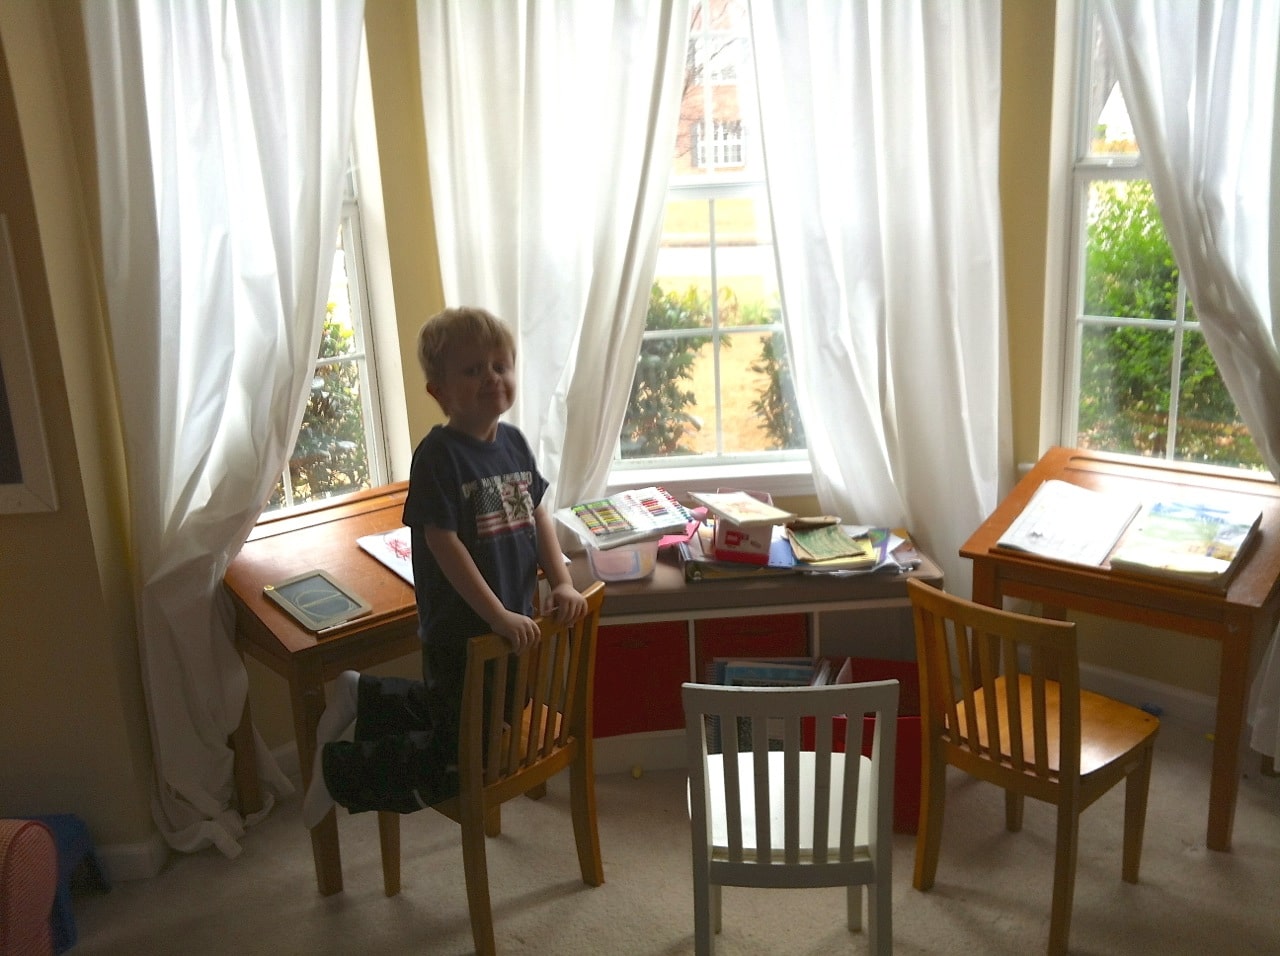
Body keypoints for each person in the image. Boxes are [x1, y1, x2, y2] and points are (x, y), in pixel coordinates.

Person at [302, 306, 588, 827]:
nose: (492, 378)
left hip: (513, 624)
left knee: (493, 714)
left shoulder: (514, 444)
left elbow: (538, 512)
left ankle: (364, 694)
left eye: (500, 365)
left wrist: (563, 582)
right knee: (459, 758)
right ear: (439, 391)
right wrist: (497, 615)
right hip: (459, 632)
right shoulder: (438, 456)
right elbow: (442, 542)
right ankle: (338, 768)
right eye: (473, 369)